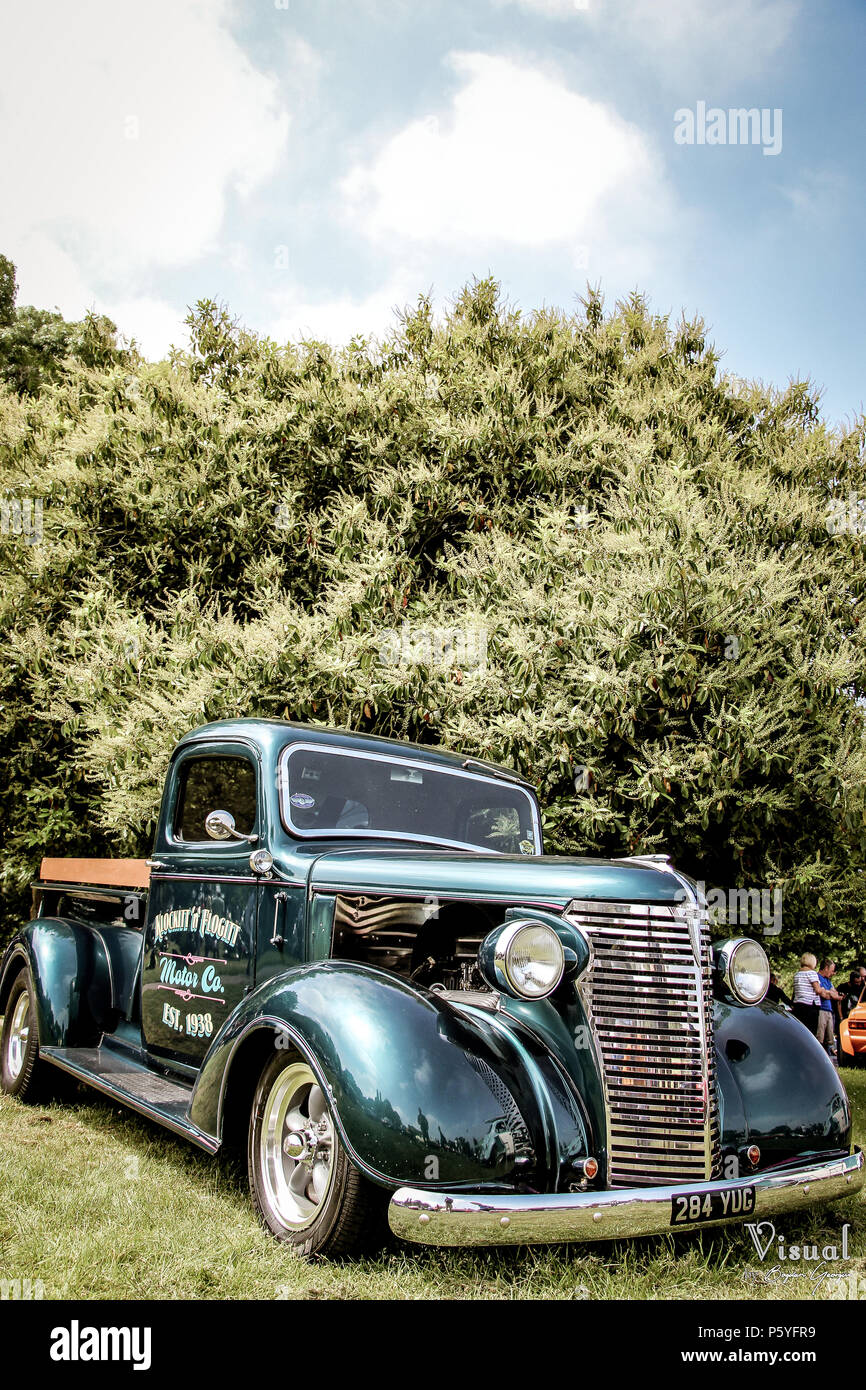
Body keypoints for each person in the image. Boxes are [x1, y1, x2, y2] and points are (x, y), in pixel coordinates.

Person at [816, 959, 843, 1058]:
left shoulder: (828, 980)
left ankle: (827, 1057)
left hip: (829, 1010)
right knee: (820, 1036)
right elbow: (825, 995)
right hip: (821, 1009)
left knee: (830, 1037)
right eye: (832, 970)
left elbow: (835, 994)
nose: (833, 973)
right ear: (826, 968)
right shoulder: (817, 978)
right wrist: (831, 994)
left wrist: (831, 994)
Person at [791, 953, 823, 1034]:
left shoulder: (797, 975)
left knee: (800, 1030)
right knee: (811, 1031)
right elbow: (818, 990)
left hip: (798, 1005)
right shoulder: (812, 973)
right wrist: (823, 989)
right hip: (810, 1006)